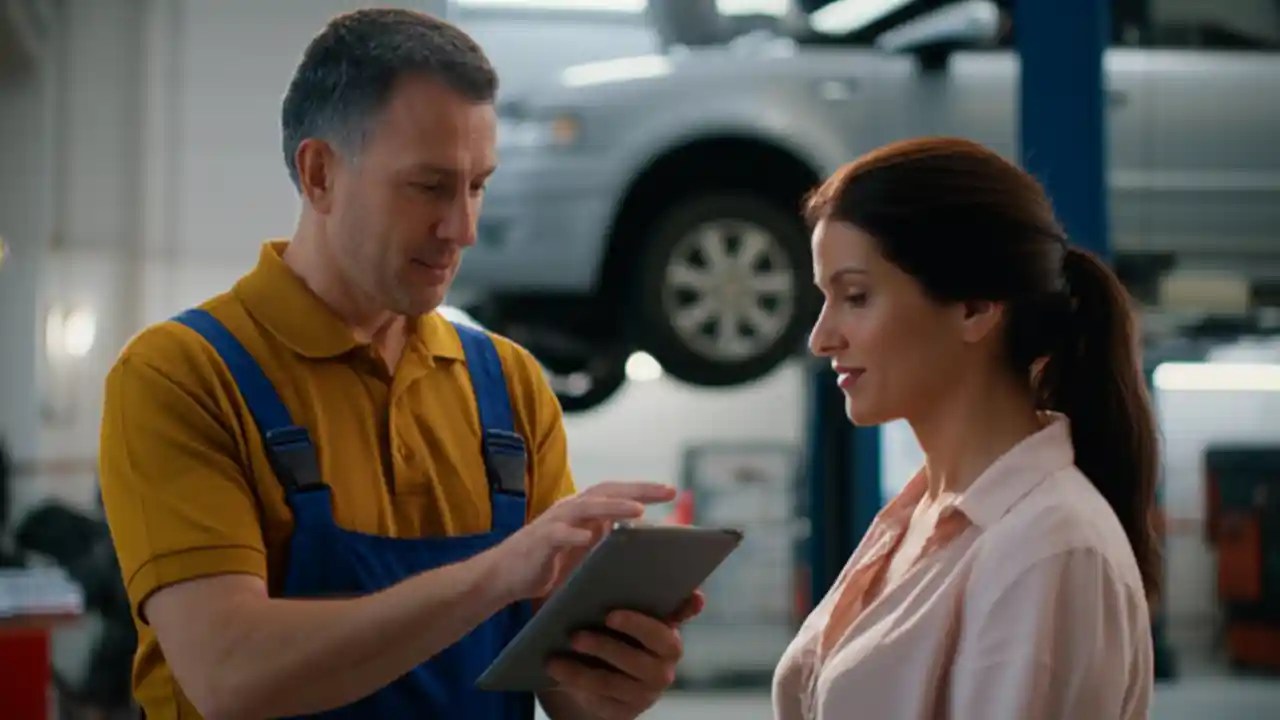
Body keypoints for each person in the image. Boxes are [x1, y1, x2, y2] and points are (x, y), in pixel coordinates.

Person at [97, 9, 700, 720]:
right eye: (429, 187)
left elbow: (558, 685)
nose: (463, 229)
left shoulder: (508, 388)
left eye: (477, 186)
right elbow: (230, 672)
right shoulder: (182, 377)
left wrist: (610, 680)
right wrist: (495, 576)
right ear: (319, 173)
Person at [774, 137, 1158, 719]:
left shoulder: (1048, 545)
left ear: (975, 307)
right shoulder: (918, 519)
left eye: (855, 296)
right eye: (826, 298)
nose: (821, 338)